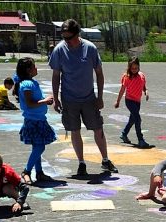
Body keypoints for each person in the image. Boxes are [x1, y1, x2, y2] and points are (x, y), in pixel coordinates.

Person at [49, 18, 117, 176]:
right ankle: (81, 163)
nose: (67, 41)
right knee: (75, 130)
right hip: (69, 99)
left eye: (69, 37)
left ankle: (105, 160)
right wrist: (56, 98)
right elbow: (56, 76)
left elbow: (99, 73)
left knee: (98, 128)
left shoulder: (90, 48)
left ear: (77, 34)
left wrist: (100, 97)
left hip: (88, 98)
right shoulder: (59, 50)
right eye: (64, 37)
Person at [16, 56, 56, 184]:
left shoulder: (31, 83)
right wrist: (45, 101)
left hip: (38, 119)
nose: (36, 68)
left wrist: (45, 101)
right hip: (34, 121)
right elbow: (30, 104)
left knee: (36, 146)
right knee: (40, 147)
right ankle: (26, 171)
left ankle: (39, 173)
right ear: (28, 70)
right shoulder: (27, 84)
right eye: (34, 66)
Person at [114, 57, 150, 147]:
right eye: (132, 68)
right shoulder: (127, 77)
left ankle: (124, 134)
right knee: (137, 119)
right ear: (129, 67)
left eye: (136, 68)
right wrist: (118, 101)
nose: (134, 70)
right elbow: (122, 90)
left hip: (137, 101)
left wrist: (146, 92)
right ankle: (140, 140)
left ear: (139, 67)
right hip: (129, 101)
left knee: (132, 119)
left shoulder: (141, 76)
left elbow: (143, 86)